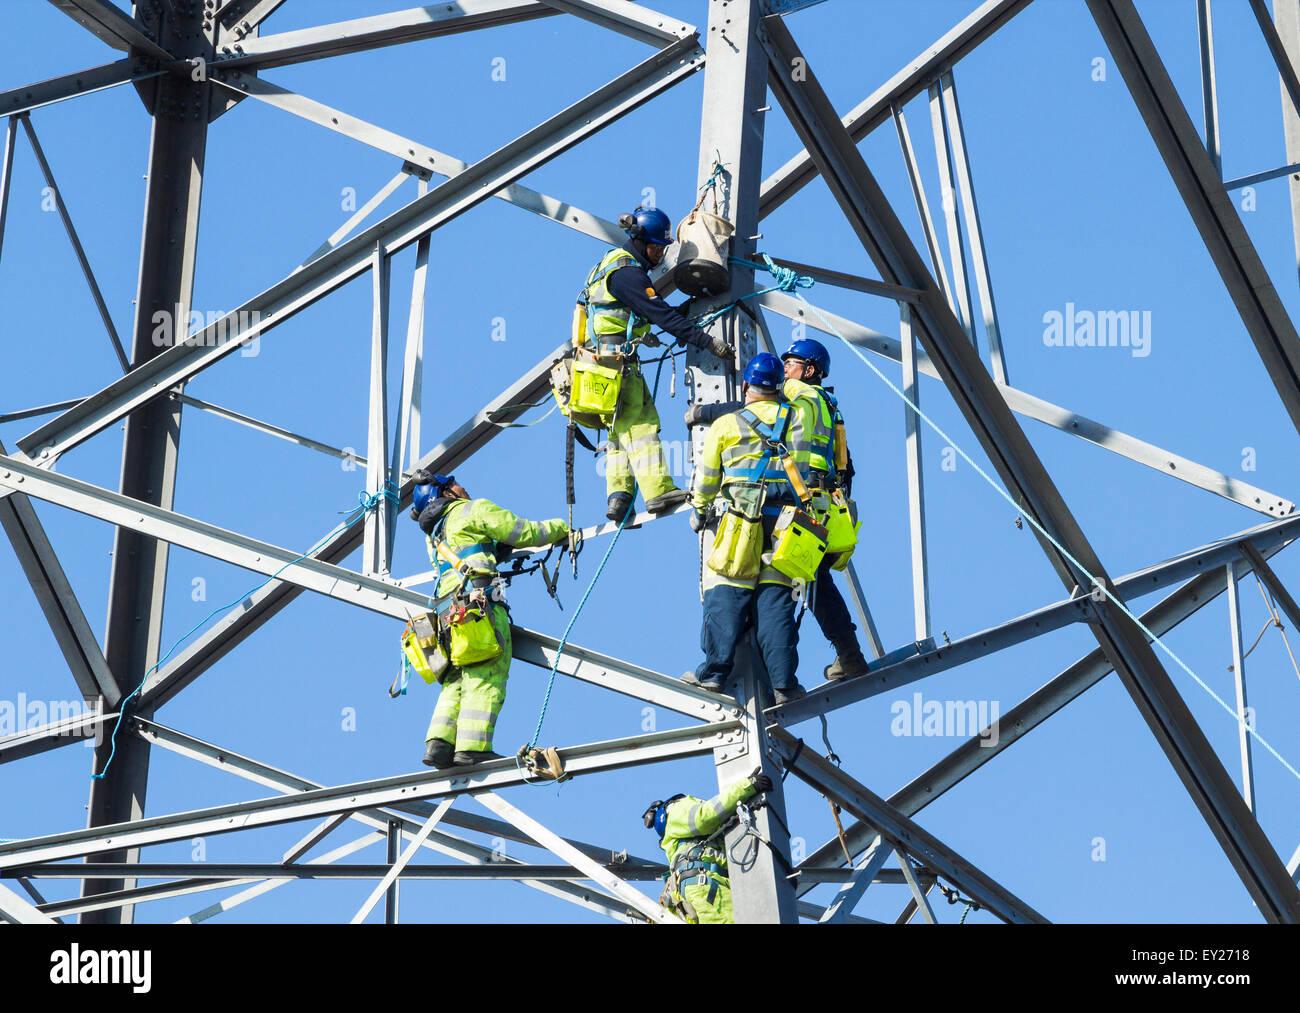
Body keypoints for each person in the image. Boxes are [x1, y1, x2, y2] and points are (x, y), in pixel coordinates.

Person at [685, 337, 868, 683]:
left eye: (791, 364)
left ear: (808, 370)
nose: (785, 372)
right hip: (814, 507)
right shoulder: (823, 403)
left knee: (807, 586)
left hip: (798, 507)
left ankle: (848, 655)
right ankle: (841, 659)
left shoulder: (802, 397)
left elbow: (756, 409)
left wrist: (705, 412)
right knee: (807, 585)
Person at [575, 205, 734, 522]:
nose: (661, 255)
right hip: (617, 364)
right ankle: (657, 490)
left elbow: (639, 312)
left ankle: (619, 497)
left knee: (619, 429)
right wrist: (707, 341)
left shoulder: (605, 268)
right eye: (657, 247)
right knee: (641, 424)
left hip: (594, 365)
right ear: (639, 241)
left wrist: (676, 314)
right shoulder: (628, 274)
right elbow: (659, 314)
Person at [409, 471, 568, 768]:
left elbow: (468, 550)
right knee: (487, 672)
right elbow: (524, 532)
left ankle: (439, 744)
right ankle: (472, 747)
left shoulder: (435, 534)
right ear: (447, 493)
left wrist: (495, 550)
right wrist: (562, 527)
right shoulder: (472, 509)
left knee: (457, 677)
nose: (463, 485)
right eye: (454, 484)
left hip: (445, 613)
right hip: (478, 606)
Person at [684, 352, 808, 705]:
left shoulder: (727, 424)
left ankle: (714, 674)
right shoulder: (796, 419)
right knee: (774, 601)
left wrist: (699, 510)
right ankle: (784, 684)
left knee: (727, 592)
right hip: (786, 523)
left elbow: (707, 478)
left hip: (741, 520)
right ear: (778, 388)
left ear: (745, 387)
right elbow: (809, 467)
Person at [642, 769, 773, 924]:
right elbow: (704, 817)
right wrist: (748, 786)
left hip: (708, 887)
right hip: (706, 886)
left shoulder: (701, 841)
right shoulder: (676, 809)